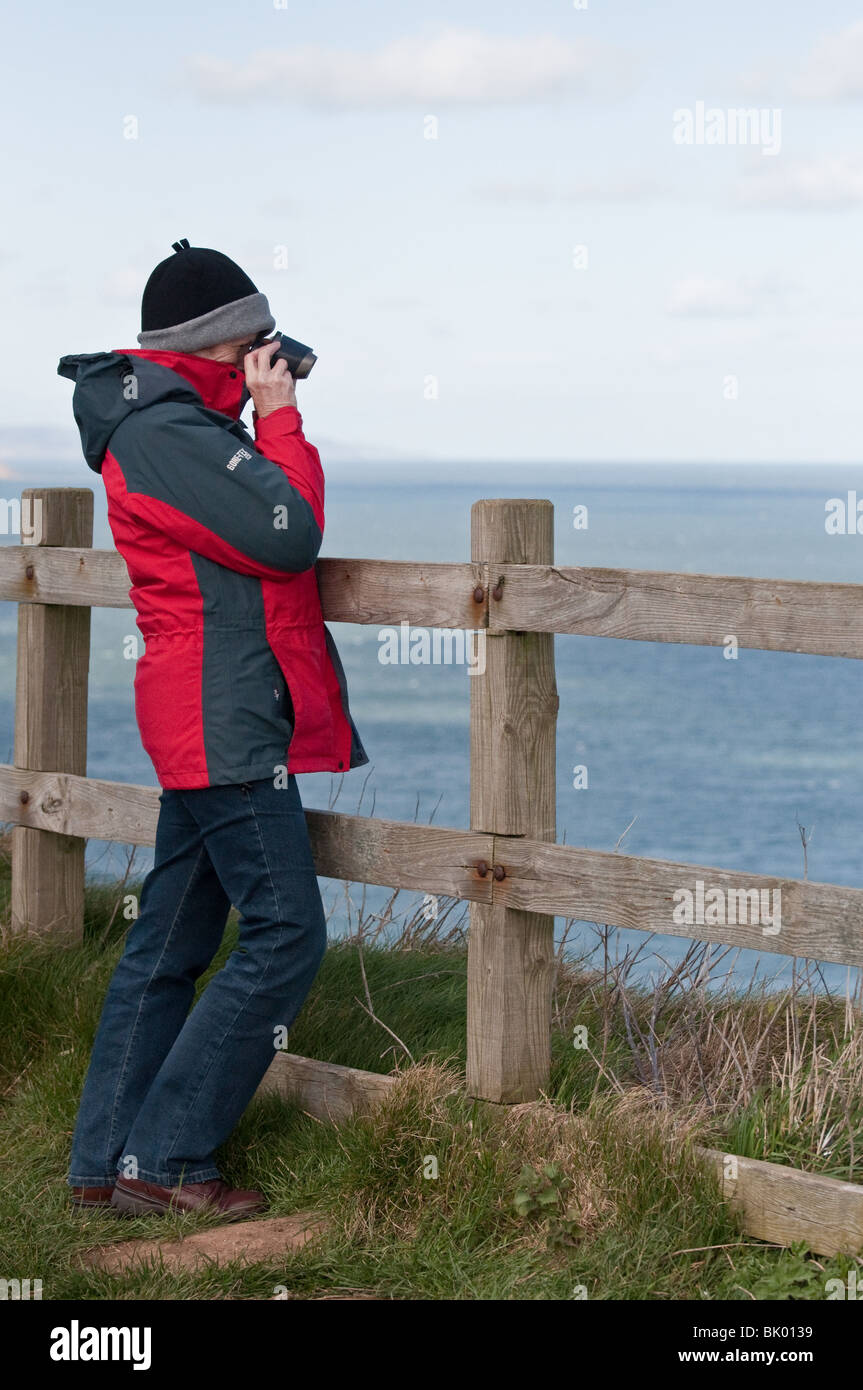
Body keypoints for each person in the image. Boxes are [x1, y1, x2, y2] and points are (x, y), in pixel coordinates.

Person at [57, 239, 367, 1222]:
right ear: (224, 344)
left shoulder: (175, 421)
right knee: (285, 934)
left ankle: (106, 1163)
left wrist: (249, 413)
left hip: (209, 707)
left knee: (172, 942)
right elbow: (286, 533)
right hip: (218, 714)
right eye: (257, 344)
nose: (269, 360)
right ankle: (169, 1158)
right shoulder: (166, 432)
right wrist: (279, 420)